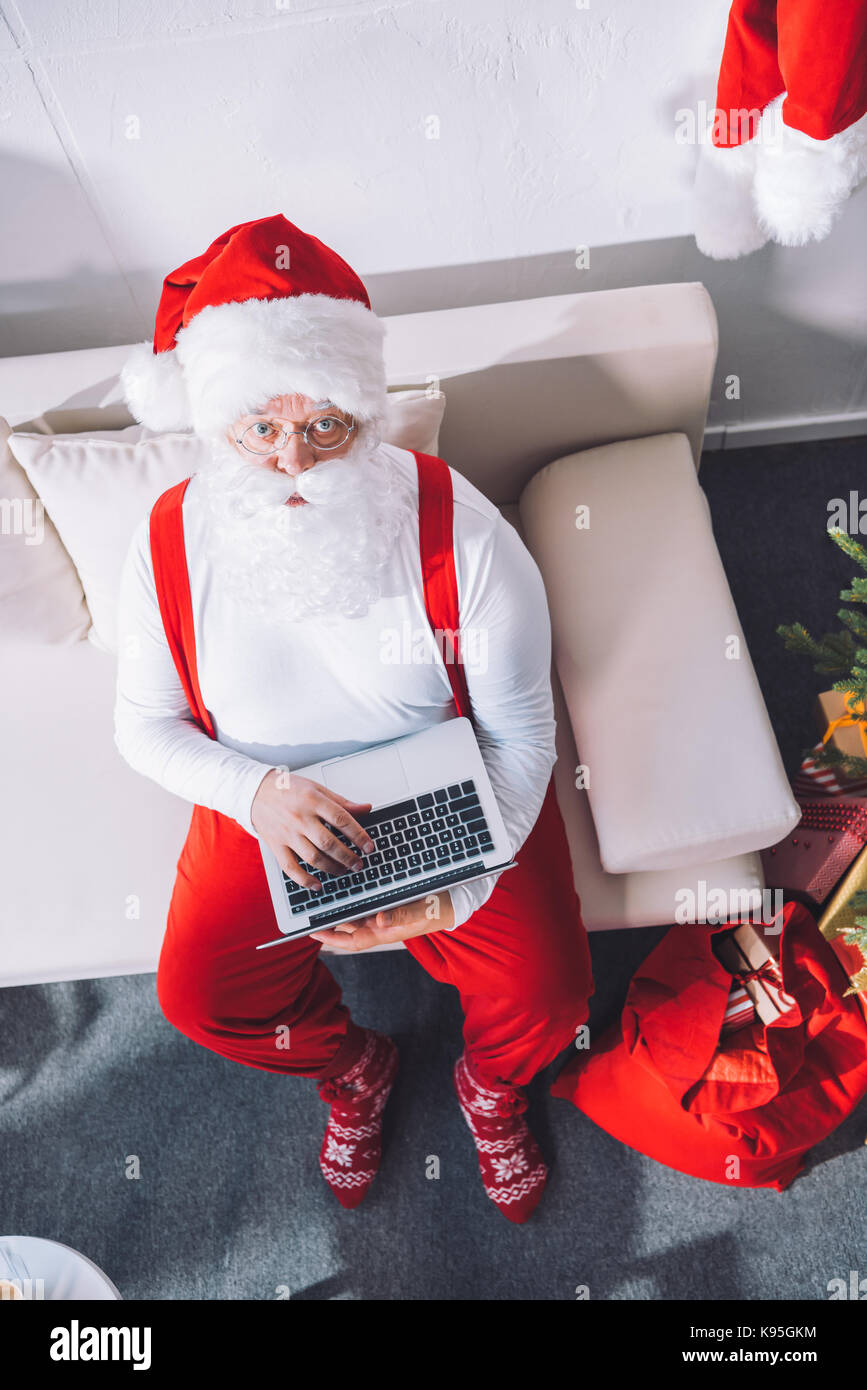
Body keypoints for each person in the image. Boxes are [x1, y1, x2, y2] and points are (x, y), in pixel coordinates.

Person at [114, 213, 593, 1223]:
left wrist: (453, 899)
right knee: (202, 998)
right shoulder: (164, 540)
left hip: (456, 783)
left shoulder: (468, 533)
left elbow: (524, 737)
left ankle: (493, 1085)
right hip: (270, 800)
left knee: (552, 994)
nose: (294, 460)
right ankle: (352, 1067)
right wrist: (256, 793)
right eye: (260, 428)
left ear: (366, 418)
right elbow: (144, 726)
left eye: (325, 425)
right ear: (218, 425)